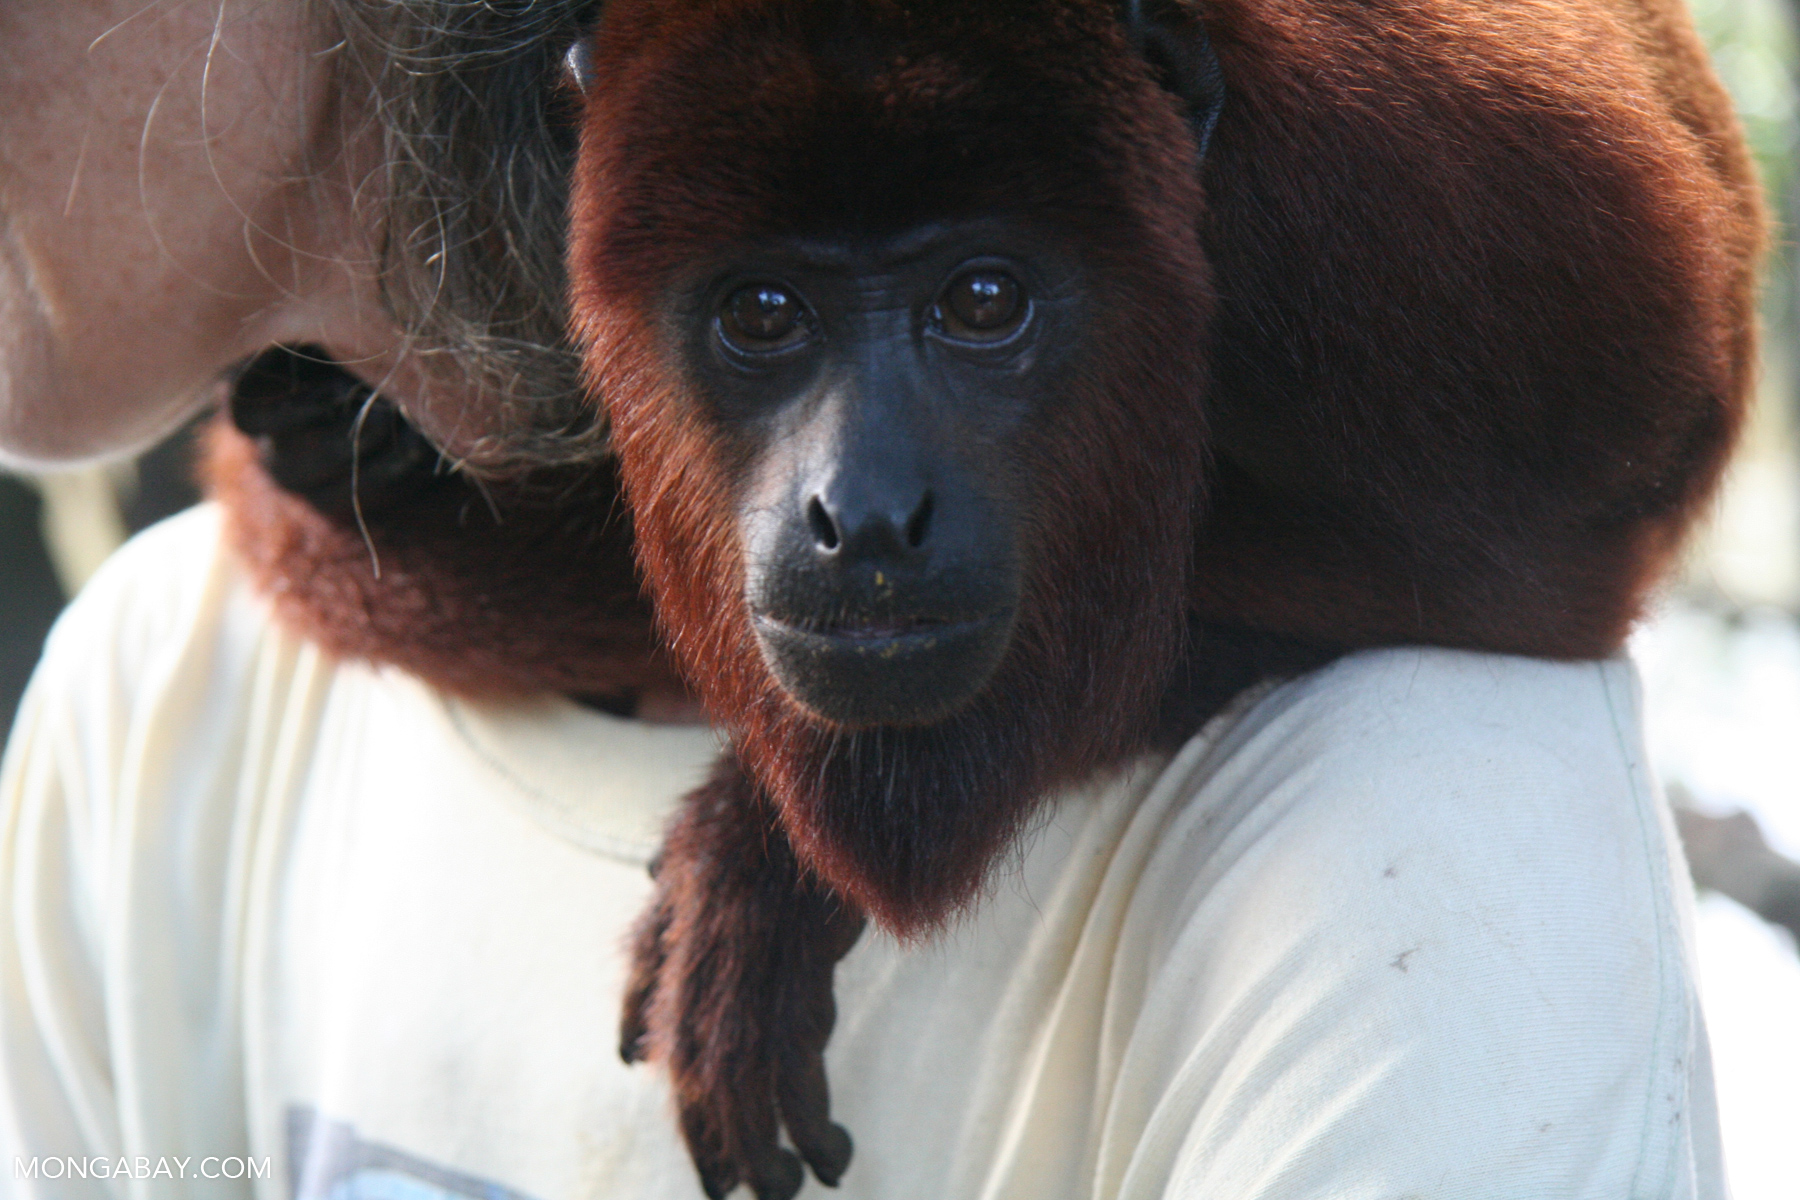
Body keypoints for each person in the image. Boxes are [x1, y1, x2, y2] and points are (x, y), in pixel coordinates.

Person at [0, 2, 1729, 1198]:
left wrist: (831, 793)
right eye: (750, 329)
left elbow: (1641, 434)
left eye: (982, 302)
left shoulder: (1421, 838)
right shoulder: (170, 695)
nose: (863, 505)